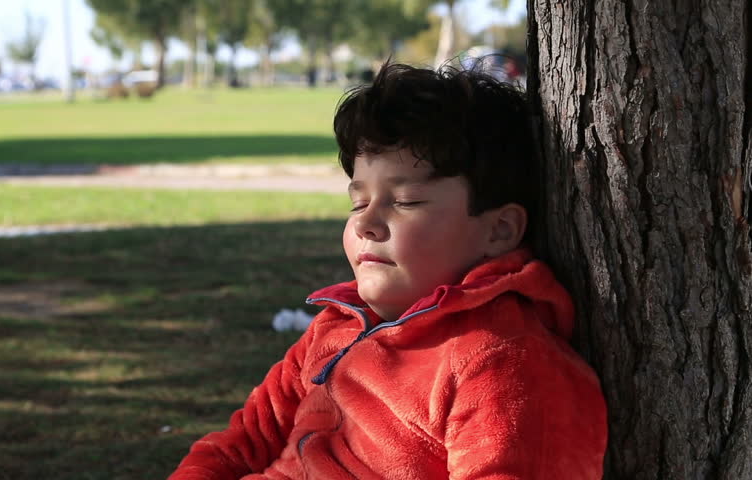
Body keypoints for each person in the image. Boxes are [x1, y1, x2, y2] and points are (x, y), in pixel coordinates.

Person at [168, 62, 608, 479]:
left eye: (405, 201)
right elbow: (237, 446)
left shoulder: (504, 362)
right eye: (358, 202)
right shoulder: (333, 326)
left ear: (499, 230)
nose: (365, 223)